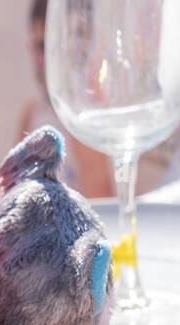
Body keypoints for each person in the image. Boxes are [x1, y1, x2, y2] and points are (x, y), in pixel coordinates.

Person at [17, 0, 116, 197]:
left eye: (55, 48)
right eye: (41, 46)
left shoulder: (83, 126)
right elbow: (14, 190)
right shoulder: (32, 113)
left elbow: (102, 210)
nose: (45, 61)